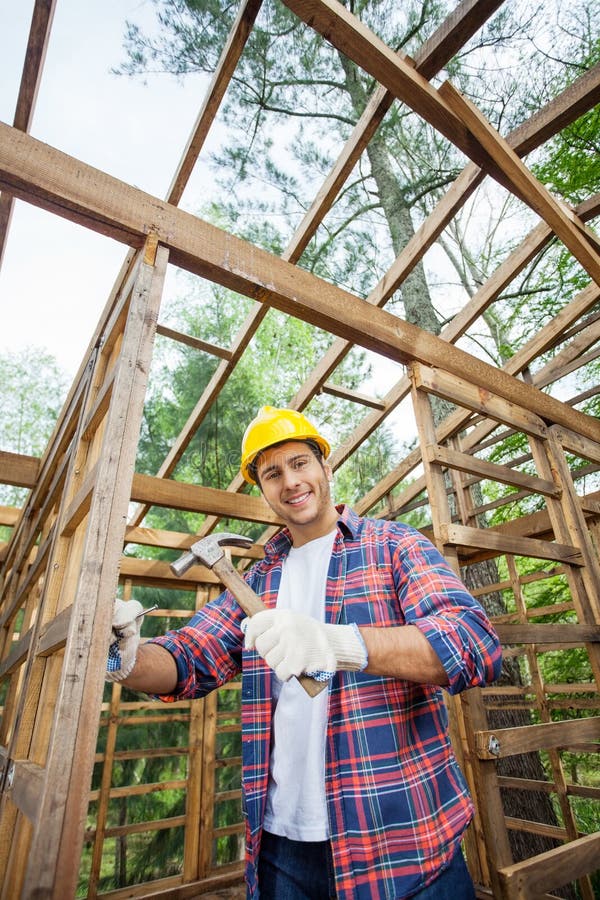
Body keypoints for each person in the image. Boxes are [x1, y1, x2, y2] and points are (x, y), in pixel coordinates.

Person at [107, 406, 502, 900]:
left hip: (405, 841)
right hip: (282, 851)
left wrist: (342, 644)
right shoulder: (257, 580)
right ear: (263, 489)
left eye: (299, 463)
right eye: (273, 473)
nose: (290, 481)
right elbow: (189, 659)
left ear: (325, 468)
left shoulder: (393, 546)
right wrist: (123, 657)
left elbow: (474, 643)